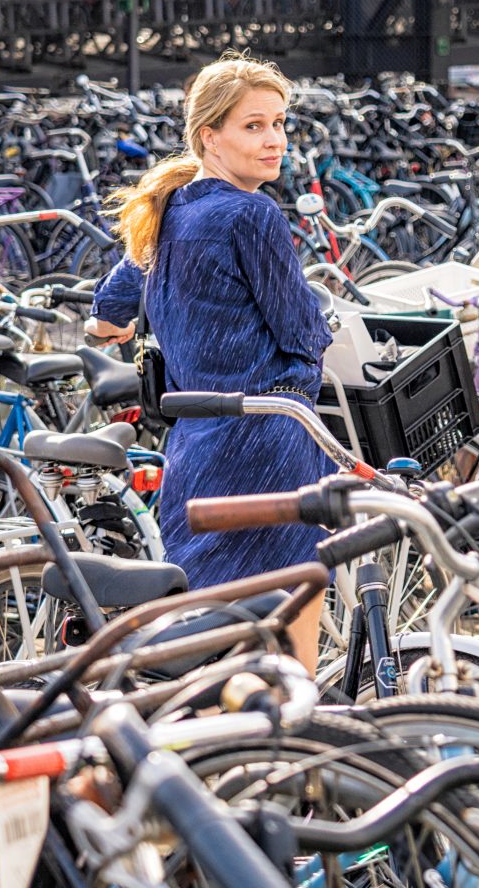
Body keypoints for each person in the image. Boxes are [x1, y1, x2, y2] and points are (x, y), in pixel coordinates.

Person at [84, 54, 333, 671]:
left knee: (205, 643)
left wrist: (129, 326)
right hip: (267, 439)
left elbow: (106, 314)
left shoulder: (168, 210)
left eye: (280, 123)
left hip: (194, 448)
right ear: (209, 136)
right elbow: (305, 334)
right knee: (291, 619)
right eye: (254, 126)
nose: (275, 140)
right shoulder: (252, 214)